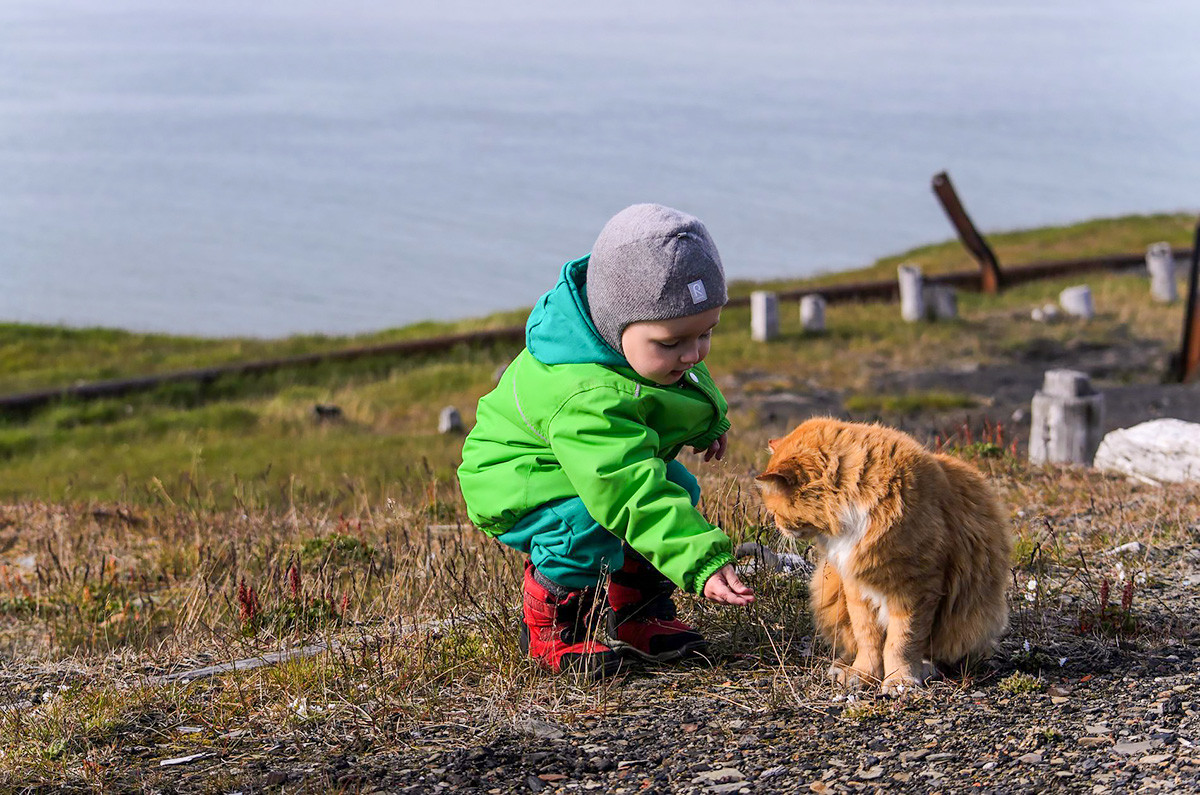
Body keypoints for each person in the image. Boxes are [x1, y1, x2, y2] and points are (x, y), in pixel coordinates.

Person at [457, 203, 754, 678]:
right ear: (618, 327)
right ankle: (550, 633)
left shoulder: (634, 347)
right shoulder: (586, 393)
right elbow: (626, 488)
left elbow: (685, 380)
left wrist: (708, 422)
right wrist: (700, 559)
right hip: (518, 477)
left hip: (576, 463)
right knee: (586, 523)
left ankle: (638, 612)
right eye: (672, 342)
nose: (693, 354)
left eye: (706, 333)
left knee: (678, 489)